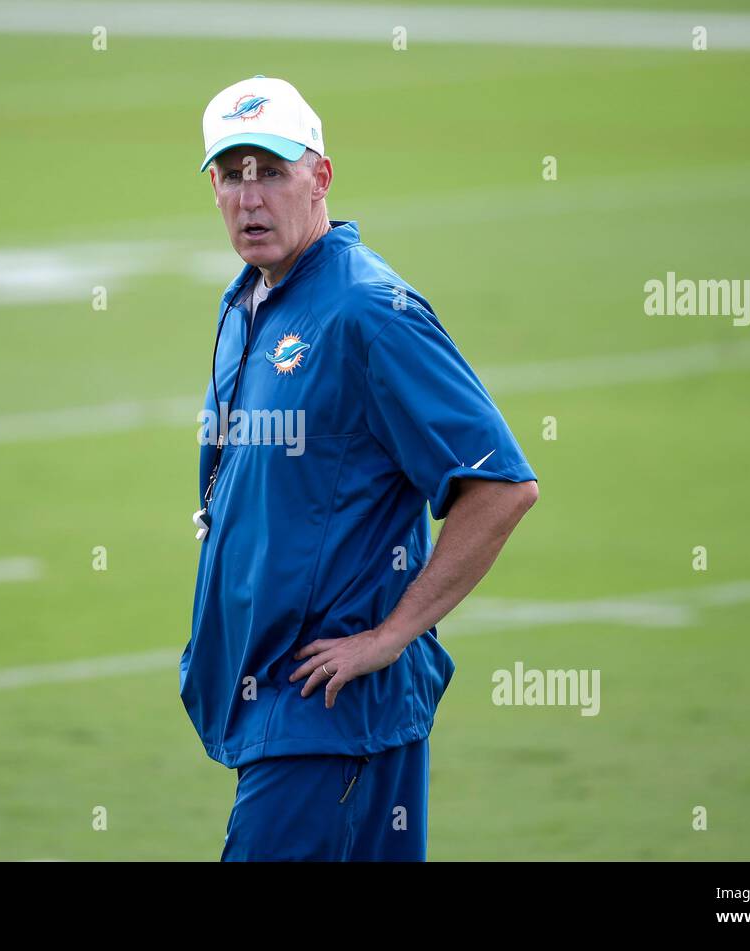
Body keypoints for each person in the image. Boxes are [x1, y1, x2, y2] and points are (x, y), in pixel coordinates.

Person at [180, 76, 539, 861]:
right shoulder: (246, 302)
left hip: (328, 710)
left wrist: (389, 635)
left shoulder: (370, 311)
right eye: (230, 174)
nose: (250, 197)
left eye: (271, 171)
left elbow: (501, 485)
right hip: (277, 704)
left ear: (321, 176)